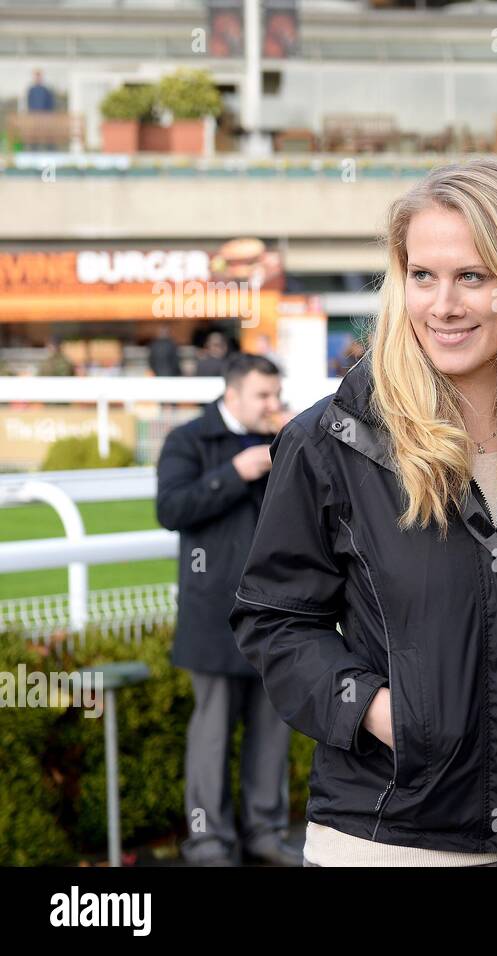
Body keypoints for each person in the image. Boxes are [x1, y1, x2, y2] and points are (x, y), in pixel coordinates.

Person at [231, 159, 497, 866]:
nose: (443, 305)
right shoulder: (332, 439)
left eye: (473, 277)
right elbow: (273, 618)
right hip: (387, 837)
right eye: (423, 276)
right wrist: (379, 712)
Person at [155, 353, 299, 866]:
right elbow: (171, 509)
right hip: (212, 615)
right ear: (232, 394)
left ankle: (265, 832)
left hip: (276, 613)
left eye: (276, 395)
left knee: (271, 735)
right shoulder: (188, 439)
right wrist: (235, 473)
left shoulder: (287, 437)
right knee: (211, 738)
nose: (273, 405)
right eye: (263, 396)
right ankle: (208, 841)